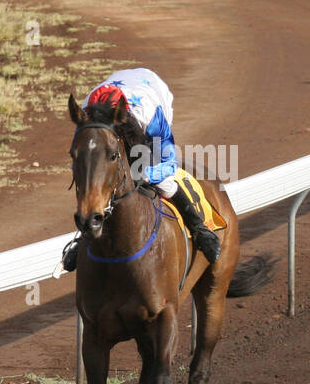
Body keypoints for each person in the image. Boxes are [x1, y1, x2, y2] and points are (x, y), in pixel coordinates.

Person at [63, 68, 222, 272]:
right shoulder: (87, 113)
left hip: (153, 95)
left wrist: (143, 174)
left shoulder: (152, 117)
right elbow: (81, 157)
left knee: (160, 181)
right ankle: (83, 236)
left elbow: (168, 164)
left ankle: (199, 228)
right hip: (117, 97)